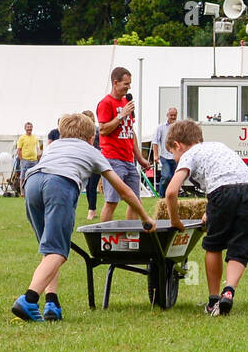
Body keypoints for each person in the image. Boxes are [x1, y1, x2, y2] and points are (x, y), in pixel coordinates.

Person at [12, 113, 153, 322]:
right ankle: (29, 299)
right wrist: (145, 217)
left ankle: (52, 303)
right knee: (58, 252)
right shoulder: (92, 151)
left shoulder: (55, 146)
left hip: (33, 182)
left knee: (50, 249)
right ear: (90, 138)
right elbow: (123, 190)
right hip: (59, 184)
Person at [163, 120, 248, 316]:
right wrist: (211, 210)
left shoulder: (188, 154)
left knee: (213, 245)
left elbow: (171, 192)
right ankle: (229, 290)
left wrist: (175, 221)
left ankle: (213, 299)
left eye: (173, 155)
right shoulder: (218, 146)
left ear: (177, 145)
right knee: (240, 246)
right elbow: (229, 177)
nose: (175, 159)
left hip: (222, 191)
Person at [97, 67, 152, 221]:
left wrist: (139, 157)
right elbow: (103, 130)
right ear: (115, 83)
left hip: (128, 160)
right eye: (126, 84)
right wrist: (121, 116)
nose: (129, 87)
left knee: (135, 202)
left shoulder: (125, 102)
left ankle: (131, 235)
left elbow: (130, 132)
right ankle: (105, 238)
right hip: (112, 159)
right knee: (112, 201)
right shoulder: (106, 103)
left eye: (130, 84)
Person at [81, 110, 103, 220]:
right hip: (86, 160)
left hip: (95, 160)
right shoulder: (81, 132)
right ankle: (92, 209)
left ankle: (91, 210)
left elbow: (101, 146)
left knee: (92, 186)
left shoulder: (97, 130)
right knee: (88, 186)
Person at [153, 107, 178, 197]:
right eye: (171, 115)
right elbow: (155, 142)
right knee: (166, 176)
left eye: (175, 115)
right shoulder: (161, 127)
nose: (173, 117)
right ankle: (162, 197)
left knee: (174, 179)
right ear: (167, 115)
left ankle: (171, 196)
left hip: (176, 157)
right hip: (164, 157)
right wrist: (156, 155)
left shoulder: (179, 127)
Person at [14, 122, 42, 197]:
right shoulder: (22, 138)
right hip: (25, 161)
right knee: (23, 177)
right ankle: (22, 192)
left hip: (34, 161)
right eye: (28, 127)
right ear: (25, 128)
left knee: (35, 176)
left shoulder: (35, 138)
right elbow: (19, 150)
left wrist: (39, 158)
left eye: (30, 127)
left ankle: (34, 192)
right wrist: (22, 160)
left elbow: (38, 149)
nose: (29, 128)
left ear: (32, 128)